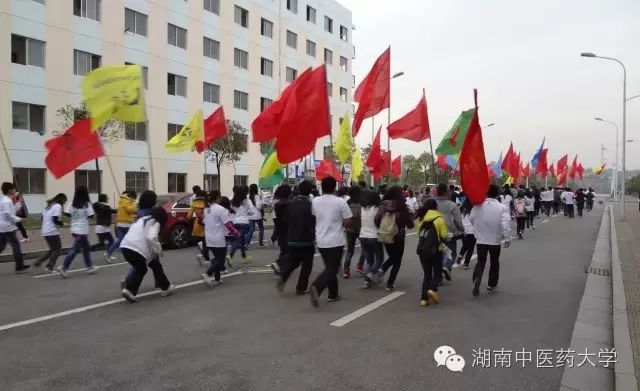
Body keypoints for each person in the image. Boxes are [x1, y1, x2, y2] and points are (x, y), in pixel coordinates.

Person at [308, 176, 353, 307]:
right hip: (335, 241)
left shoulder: (315, 201)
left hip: (321, 240)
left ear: (322, 187)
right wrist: (341, 222)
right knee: (332, 269)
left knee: (330, 267)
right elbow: (348, 220)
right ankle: (317, 287)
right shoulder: (340, 202)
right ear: (335, 187)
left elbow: (314, 216)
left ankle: (333, 294)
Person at [120, 206, 175, 302]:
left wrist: (153, 252)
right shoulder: (155, 222)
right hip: (136, 249)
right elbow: (151, 237)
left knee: (154, 265)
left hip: (125, 247)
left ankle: (166, 287)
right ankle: (129, 290)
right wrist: (158, 249)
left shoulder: (142, 219)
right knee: (142, 269)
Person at [469, 185, 511, 296]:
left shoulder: (478, 205)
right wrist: (507, 238)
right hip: (495, 240)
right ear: (497, 194)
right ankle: (491, 284)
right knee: (494, 262)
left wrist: (477, 230)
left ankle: (477, 279)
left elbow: (472, 218)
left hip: (481, 239)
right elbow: (505, 223)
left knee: (480, 261)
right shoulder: (502, 207)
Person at [276, 180, 316, 295]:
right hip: (306, 240)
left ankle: (283, 277)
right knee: (307, 264)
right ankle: (301, 287)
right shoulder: (310, 205)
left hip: (292, 239)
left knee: (293, 262)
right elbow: (313, 222)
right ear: (310, 192)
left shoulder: (290, 204)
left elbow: (284, 221)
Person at [375, 186, 415, 292]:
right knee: (397, 260)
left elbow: (376, 219)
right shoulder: (401, 206)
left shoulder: (383, 205)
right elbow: (410, 224)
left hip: (385, 234)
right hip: (398, 236)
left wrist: (384, 227)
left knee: (392, 257)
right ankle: (390, 283)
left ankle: (382, 269)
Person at [200, 191, 240, 286]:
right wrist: (236, 232)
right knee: (220, 260)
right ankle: (208, 273)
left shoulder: (207, 209)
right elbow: (228, 224)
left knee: (217, 258)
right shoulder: (221, 209)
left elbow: (203, 222)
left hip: (209, 237)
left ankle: (217, 279)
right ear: (218, 198)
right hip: (218, 238)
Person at [56, 186, 96, 278]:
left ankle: (89, 266)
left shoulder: (72, 204)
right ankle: (63, 267)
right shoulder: (87, 204)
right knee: (75, 249)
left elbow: (66, 214)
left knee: (86, 248)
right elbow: (91, 216)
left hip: (74, 230)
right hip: (82, 231)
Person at [415, 199, 448, 306]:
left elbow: (419, 234)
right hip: (436, 250)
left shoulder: (421, 218)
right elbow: (444, 236)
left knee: (427, 274)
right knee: (437, 273)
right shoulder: (439, 218)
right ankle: (432, 289)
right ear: (435, 207)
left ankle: (424, 299)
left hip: (423, 250)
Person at [435, 183, 464, 281]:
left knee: (437, 254)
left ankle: (438, 277)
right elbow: (458, 220)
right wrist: (461, 230)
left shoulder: (431, 202)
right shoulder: (452, 205)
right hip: (449, 232)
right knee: (451, 254)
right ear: (446, 192)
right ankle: (446, 267)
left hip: (434, 232)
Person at [34, 193, 67, 273]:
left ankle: (39, 261)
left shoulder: (49, 206)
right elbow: (54, 219)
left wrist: (46, 225)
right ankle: (49, 267)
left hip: (45, 230)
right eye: (65, 201)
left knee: (52, 249)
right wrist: (62, 224)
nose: (64, 203)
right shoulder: (57, 206)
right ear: (62, 200)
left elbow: (42, 218)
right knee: (57, 250)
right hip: (52, 231)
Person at [359, 190, 384, 289]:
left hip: (363, 236)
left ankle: (366, 282)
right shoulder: (378, 209)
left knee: (369, 261)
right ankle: (369, 275)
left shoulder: (363, 209)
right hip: (374, 236)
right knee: (379, 259)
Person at [227, 186, 255, 267]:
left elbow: (229, 211)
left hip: (234, 222)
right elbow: (252, 212)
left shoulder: (232, 200)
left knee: (241, 240)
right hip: (244, 223)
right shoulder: (247, 201)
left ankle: (244, 256)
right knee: (238, 240)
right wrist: (247, 213)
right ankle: (230, 255)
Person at [105, 190, 137, 262]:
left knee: (120, 240)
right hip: (126, 224)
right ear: (132, 197)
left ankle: (108, 254)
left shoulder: (123, 200)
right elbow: (130, 210)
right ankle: (133, 255)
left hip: (122, 223)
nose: (134, 200)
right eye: (134, 198)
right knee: (131, 239)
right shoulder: (126, 201)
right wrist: (134, 203)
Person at [270, 185, 292, 275]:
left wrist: (275, 234)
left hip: (280, 230)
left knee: (284, 250)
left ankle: (281, 268)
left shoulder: (277, 204)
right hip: (289, 231)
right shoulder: (290, 204)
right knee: (289, 251)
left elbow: (275, 219)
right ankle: (279, 264)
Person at [343, 186, 364, 278]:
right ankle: (360, 265)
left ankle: (346, 271)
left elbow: (345, 217)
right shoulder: (362, 202)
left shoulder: (347, 202)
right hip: (361, 229)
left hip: (349, 229)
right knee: (364, 248)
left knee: (350, 251)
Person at [190, 190, 208, 265]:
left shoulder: (193, 203)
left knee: (205, 241)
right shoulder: (207, 203)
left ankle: (207, 259)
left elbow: (189, 216)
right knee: (207, 242)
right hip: (206, 223)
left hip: (198, 224)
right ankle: (202, 255)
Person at [457, 199, 476, 270]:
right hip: (472, 230)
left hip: (463, 230)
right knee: (471, 248)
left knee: (465, 245)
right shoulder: (474, 208)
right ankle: (466, 263)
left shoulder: (461, 207)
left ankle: (460, 256)